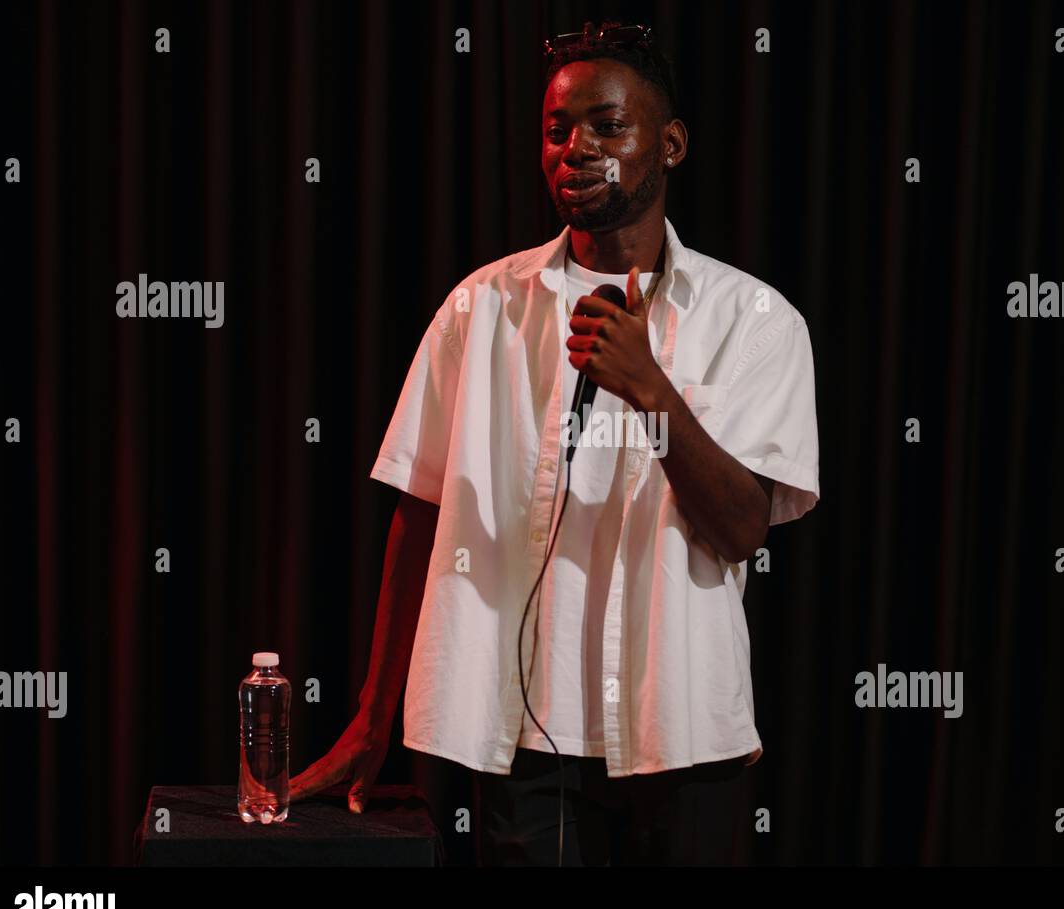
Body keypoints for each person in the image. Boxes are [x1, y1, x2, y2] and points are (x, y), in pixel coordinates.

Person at [290, 21, 819, 865]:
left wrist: (650, 389)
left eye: (608, 126)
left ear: (670, 143)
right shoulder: (481, 308)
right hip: (524, 740)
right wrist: (371, 718)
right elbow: (423, 514)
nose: (576, 148)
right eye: (556, 129)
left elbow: (742, 530)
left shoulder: (753, 321)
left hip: (681, 731)